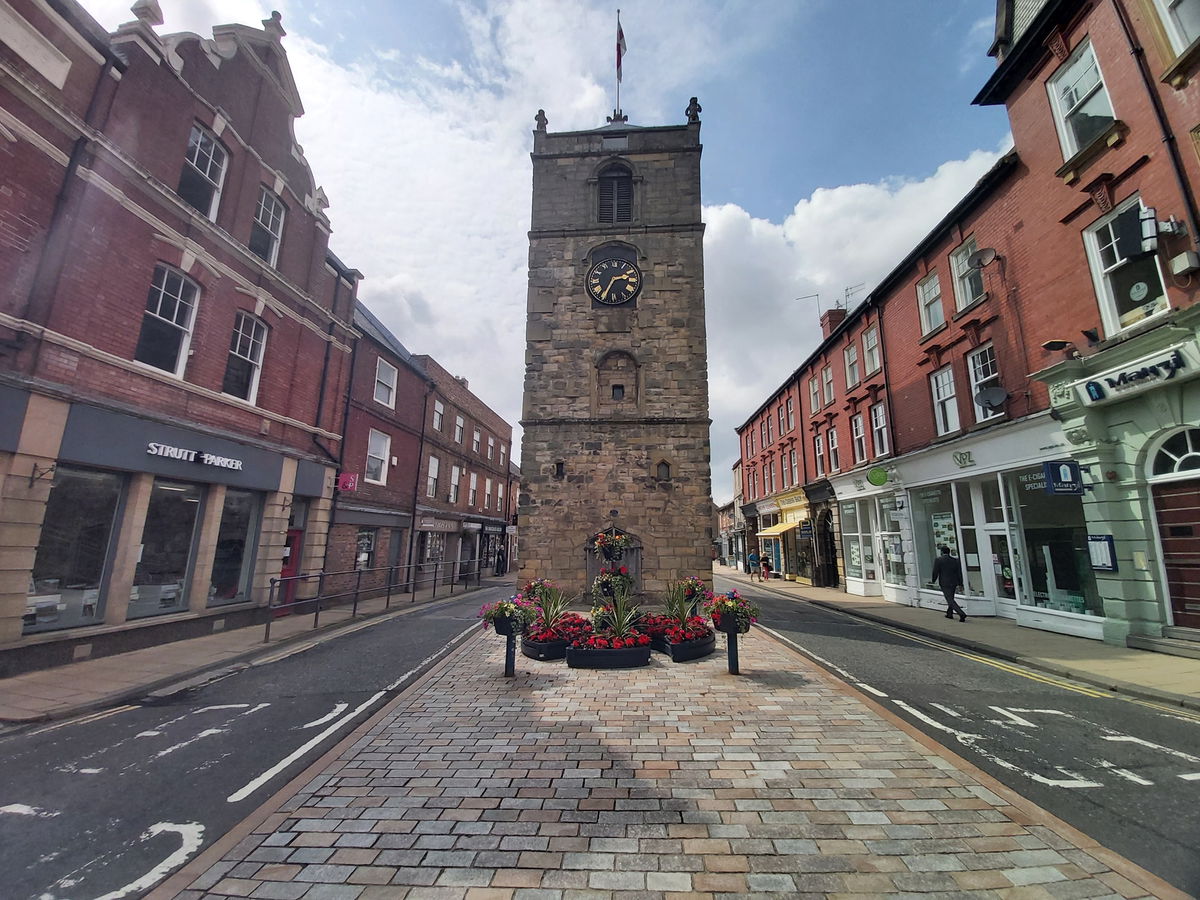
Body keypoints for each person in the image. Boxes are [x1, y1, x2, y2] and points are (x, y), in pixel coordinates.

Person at [928, 545, 967, 621]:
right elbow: (959, 573)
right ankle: (949, 614)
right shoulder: (955, 560)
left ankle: (961, 613)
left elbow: (935, 572)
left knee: (949, 599)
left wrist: (933, 580)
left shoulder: (938, 560)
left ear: (942, 552)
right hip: (954, 582)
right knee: (951, 598)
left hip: (944, 582)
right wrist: (960, 583)